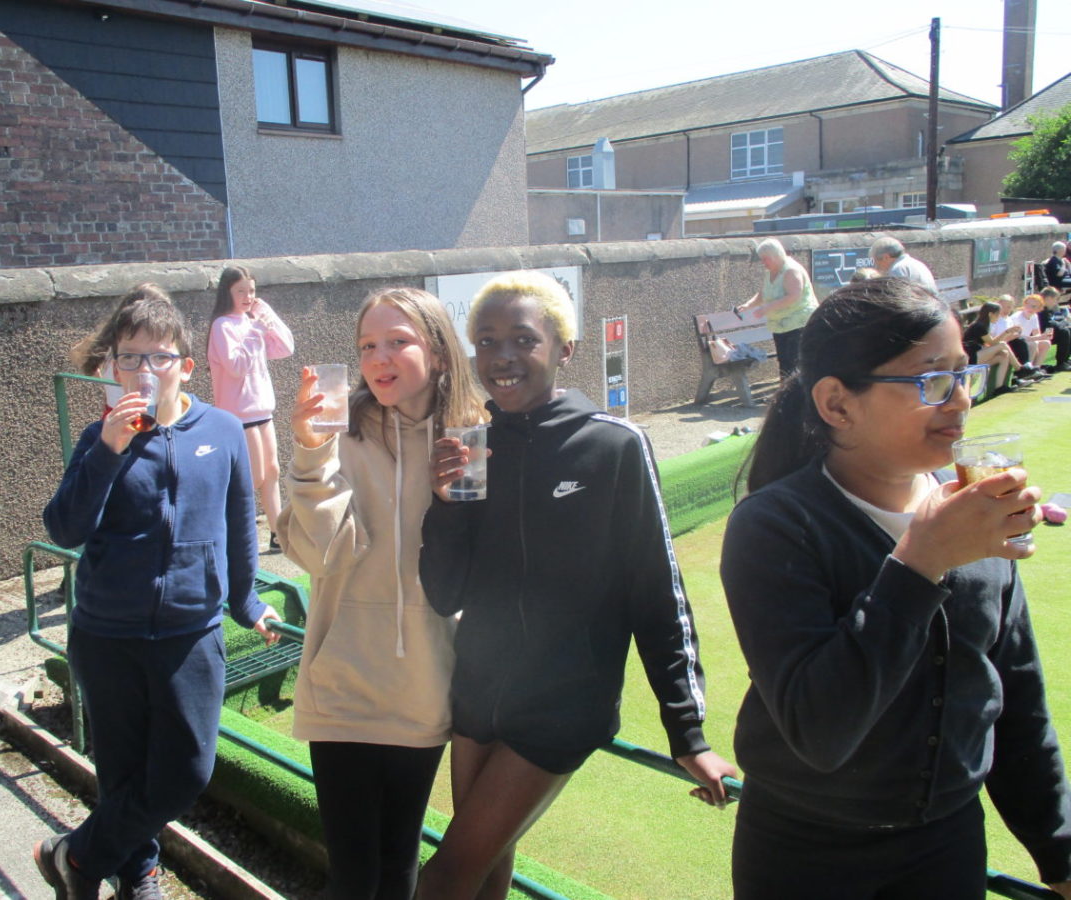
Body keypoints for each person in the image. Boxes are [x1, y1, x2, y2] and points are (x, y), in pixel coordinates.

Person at [721, 277, 1071, 899]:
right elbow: (819, 730)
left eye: (963, 371)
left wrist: (1060, 852)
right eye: (931, 379)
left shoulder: (972, 507)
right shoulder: (775, 526)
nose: (962, 400)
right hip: (806, 860)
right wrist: (919, 562)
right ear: (837, 404)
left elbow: (1015, 696)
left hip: (946, 849)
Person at [416, 271, 735, 900]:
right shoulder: (474, 449)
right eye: (486, 341)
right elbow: (445, 593)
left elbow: (657, 591)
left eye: (522, 340)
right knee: (484, 868)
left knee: (448, 873)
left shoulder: (613, 446)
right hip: (479, 693)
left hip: (563, 705)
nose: (502, 358)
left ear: (564, 347)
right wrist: (445, 505)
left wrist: (687, 731)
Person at [36, 296, 280, 900]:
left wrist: (247, 601)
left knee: (185, 772)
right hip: (107, 632)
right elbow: (64, 529)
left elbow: (240, 519)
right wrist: (108, 453)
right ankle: (136, 873)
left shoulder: (221, 429)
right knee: (122, 772)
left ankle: (74, 855)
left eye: (159, 356)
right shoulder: (101, 437)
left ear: (186, 366)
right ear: (113, 367)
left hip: (190, 632)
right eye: (130, 357)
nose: (145, 369)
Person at [276, 287, 484, 899]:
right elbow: (322, 555)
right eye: (368, 345)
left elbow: (467, 569)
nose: (378, 357)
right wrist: (309, 455)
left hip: (423, 686)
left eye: (399, 341)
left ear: (441, 353)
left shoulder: (469, 438)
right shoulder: (338, 431)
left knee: (398, 869)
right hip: (341, 685)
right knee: (351, 878)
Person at [209, 265, 295, 554]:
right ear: (228, 292)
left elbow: (285, 348)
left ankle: (277, 532)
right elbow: (235, 367)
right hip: (238, 414)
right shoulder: (223, 326)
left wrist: (267, 316)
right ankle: (235, 534)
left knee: (272, 471)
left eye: (252, 291)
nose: (248, 297)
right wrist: (254, 331)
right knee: (253, 477)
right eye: (241, 291)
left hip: (262, 410)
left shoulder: (252, 322)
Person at [71, 282, 172, 414]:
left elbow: (77, 351)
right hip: (140, 415)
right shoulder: (137, 350)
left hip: (112, 412)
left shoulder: (109, 342)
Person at [735, 237, 819, 379]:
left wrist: (767, 308)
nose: (764, 263)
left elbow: (794, 296)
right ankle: (786, 394)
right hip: (780, 325)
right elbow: (763, 294)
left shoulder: (791, 270)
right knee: (784, 362)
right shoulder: (771, 271)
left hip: (798, 324)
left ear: (776, 255)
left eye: (766, 259)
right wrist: (748, 305)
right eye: (762, 259)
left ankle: (795, 397)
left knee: (794, 363)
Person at [962, 301, 1035, 392]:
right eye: (997, 315)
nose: (998, 317)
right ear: (990, 314)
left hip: (979, 354)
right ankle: (1019, 369)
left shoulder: (985, 325)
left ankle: (999, 387)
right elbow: (993, 343)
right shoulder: (979, 326)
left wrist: (1008, 333)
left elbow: (991, 343)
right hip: (971, 357)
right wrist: (1007, 332)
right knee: (1003, 345)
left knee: (1003, 356)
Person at [870, 235, 938, 294]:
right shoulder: (916, 263)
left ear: (886, 257)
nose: (876, 266)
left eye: (875, 260)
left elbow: (897, 300)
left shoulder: (897, 269)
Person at [1011, 293, 1053, 374]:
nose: (1030, 308)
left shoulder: (1034, 316)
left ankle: (1036, 368)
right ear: (1024, 304)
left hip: (1027, 341)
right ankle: (1027, 371)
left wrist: (1042, 337)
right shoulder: (1016, 317)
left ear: (1039, 308)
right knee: (1033, 344)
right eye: (1028, 304)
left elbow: (1036, 333)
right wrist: (1038, 338)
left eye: (1034, 306)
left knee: (1046, 343)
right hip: (1017, 343)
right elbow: (1016, 337)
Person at [1039, 286, 1071, 371]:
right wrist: (1064, 323)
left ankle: (1065, 360)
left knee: (1067, 330)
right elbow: (1048, 324)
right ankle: (1061, 363)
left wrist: (1064, 324)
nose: (1056, 303)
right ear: (1049, 298)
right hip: (1037, 335)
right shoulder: (1039, 307)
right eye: (1056, 299)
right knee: (1064, 332)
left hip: (1045, 331)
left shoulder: (1047, 308)